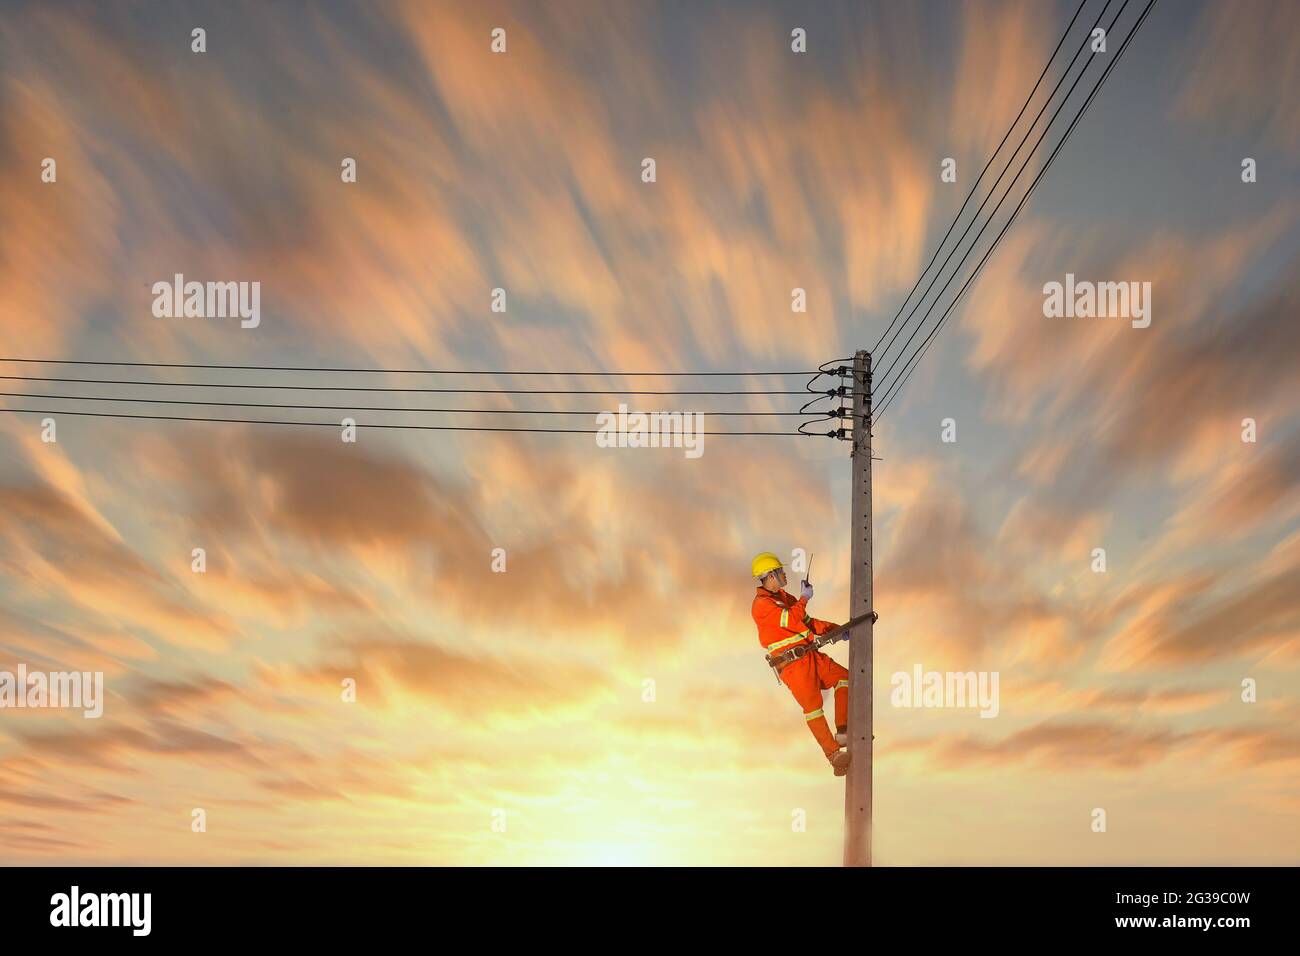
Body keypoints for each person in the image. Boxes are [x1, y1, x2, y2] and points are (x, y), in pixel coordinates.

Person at [750, 552, 851, 775]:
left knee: (845, 678)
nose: (784, 574)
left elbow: (807, 622)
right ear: (770, 575)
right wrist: (805, 598)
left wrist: (838, 629)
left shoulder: (786, 599)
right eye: (780, 571)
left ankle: (843, 731)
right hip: (793, 666)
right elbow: (792, 619)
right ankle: (834, 755)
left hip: (811, 656)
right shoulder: (761, 605)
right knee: (813, 709)